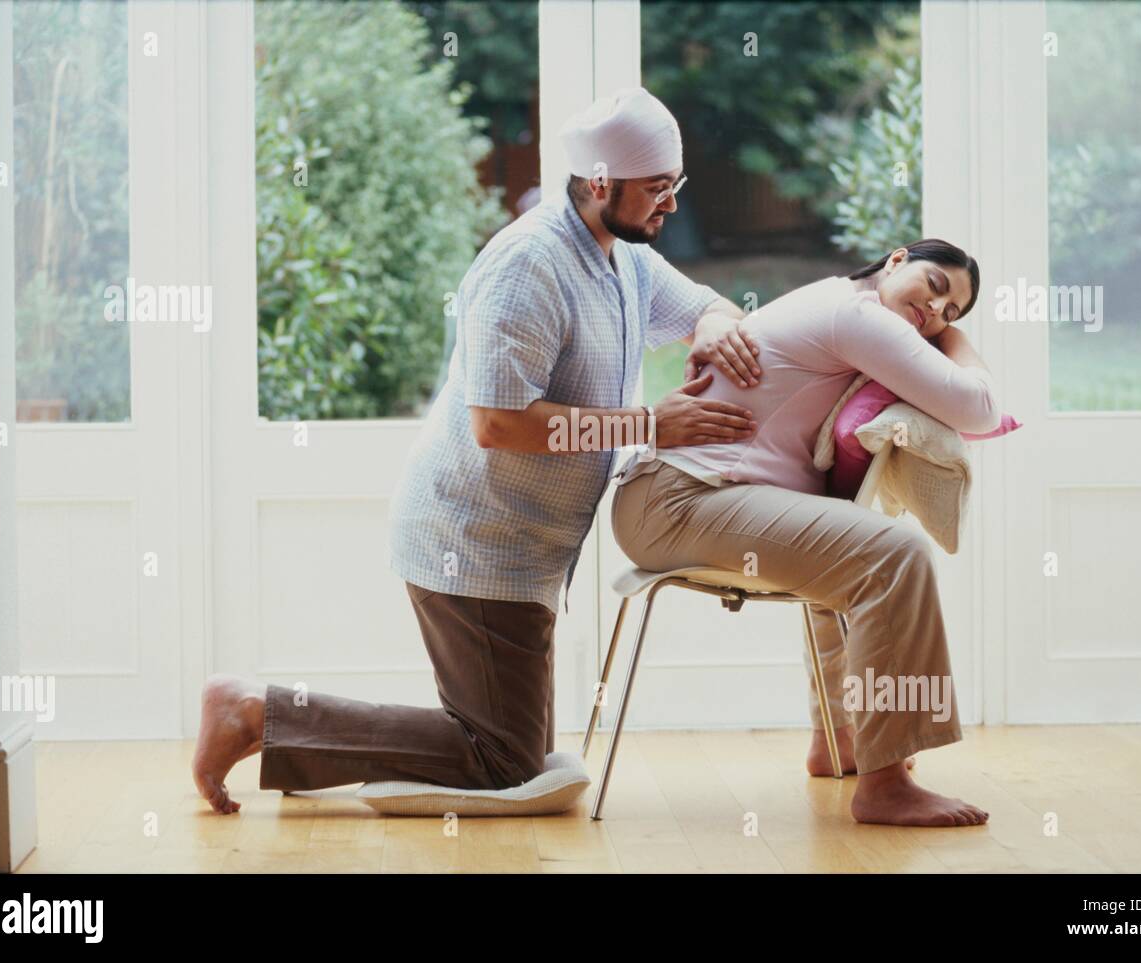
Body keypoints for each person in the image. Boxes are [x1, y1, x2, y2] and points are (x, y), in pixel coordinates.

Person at [191, 87, 764, 814]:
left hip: (526, 546)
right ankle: (253, 712)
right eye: (657, 189)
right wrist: (648, 423)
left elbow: (701, 303)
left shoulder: (623, 258)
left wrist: (714, 323)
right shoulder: (529, 265)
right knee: (504, 760)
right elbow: (499, 424)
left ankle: (263, 717)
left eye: (674, 187)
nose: (672, 206)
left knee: (506, 746)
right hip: (474, 539)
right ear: (598, 183)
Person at [610, 239, 1000, 827]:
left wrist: (934, 320)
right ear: (895, 260)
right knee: (894, 555)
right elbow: (979, 409)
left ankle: (840, 739)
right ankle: (886, 783)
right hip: (680, 498)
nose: (936, 312)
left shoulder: (845, 307)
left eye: (951, 313)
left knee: (848, 540)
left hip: (676, 499)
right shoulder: (858, 314)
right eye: (935, 287)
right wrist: (951, 337)